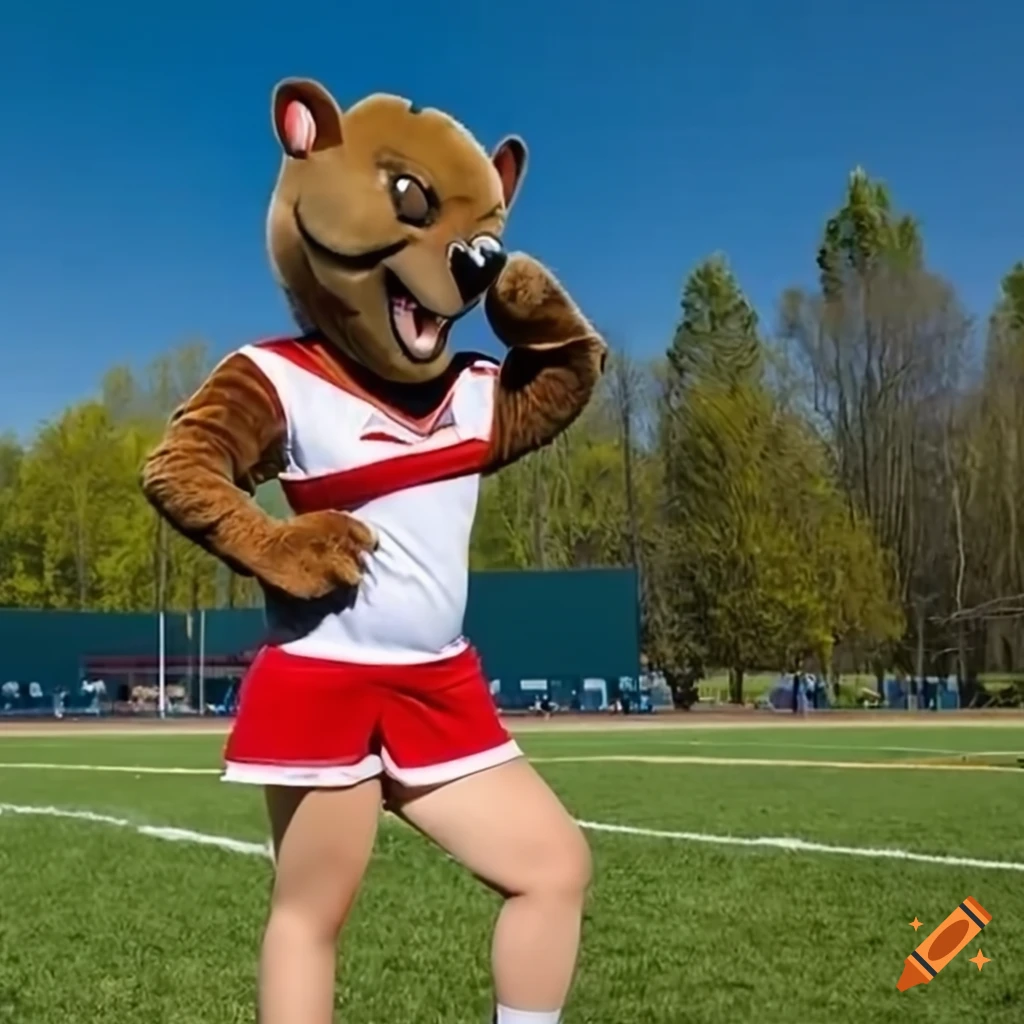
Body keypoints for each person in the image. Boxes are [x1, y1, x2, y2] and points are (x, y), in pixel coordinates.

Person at [141, 78, 606, 1024]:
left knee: (554, 867)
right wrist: (265, 540)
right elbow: (179, 465)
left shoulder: (476, 391)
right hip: (326, 680)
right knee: (315, 912)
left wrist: (548, 324)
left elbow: (563, 379)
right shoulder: (279, 375)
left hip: (440, 685)